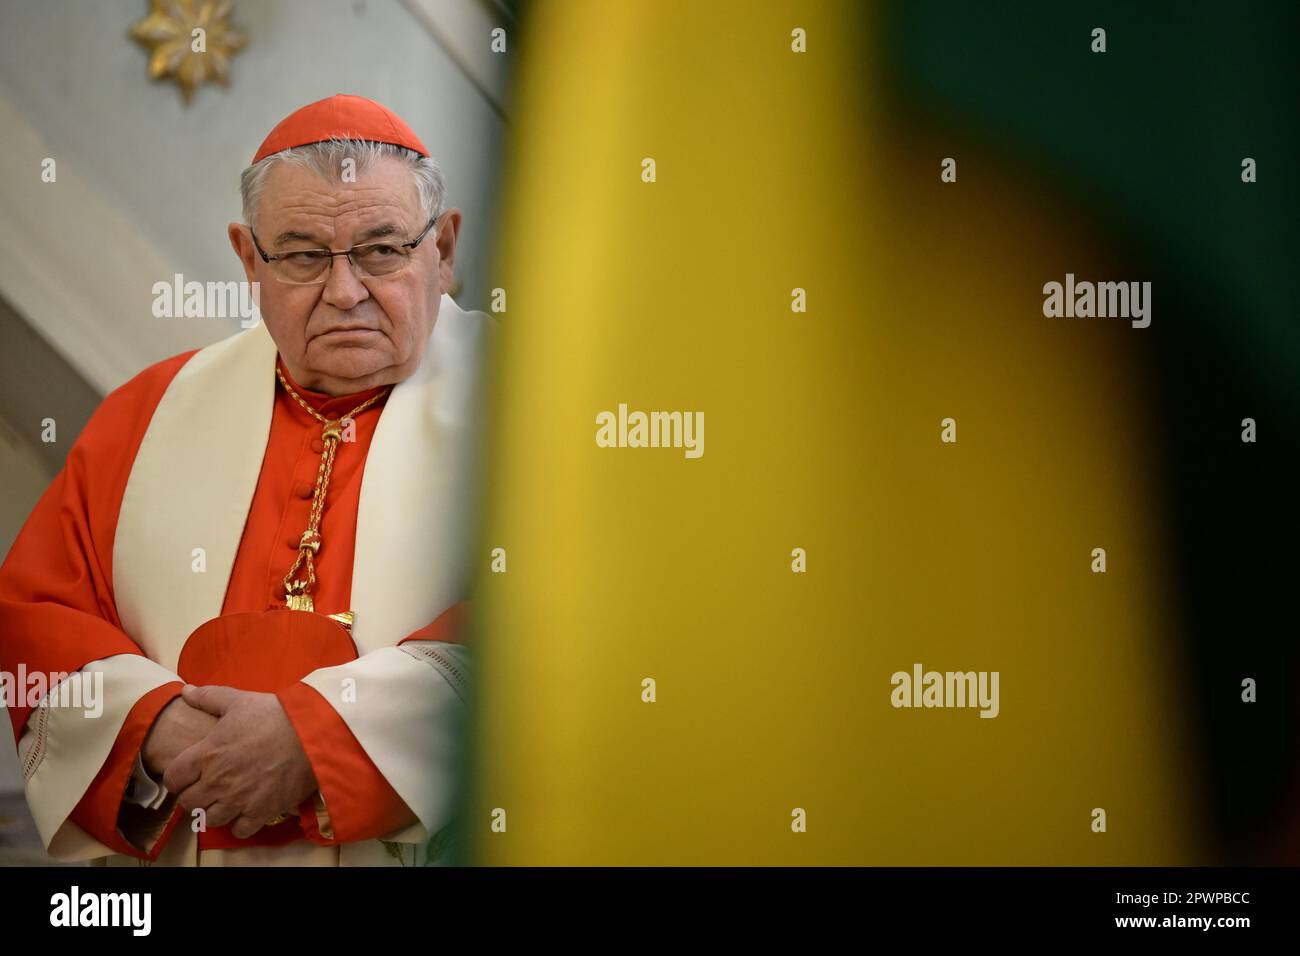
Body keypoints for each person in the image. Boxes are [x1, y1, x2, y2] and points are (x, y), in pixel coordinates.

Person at [0, 94, 488, 865]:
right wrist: (154, 727)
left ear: (445, 249)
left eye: (382, 250)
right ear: (247, 259)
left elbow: (567, 623)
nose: (345, 292)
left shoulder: (535, 413)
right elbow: (37, 616)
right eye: (300, 255)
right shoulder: (149, 414)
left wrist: (323, 740)